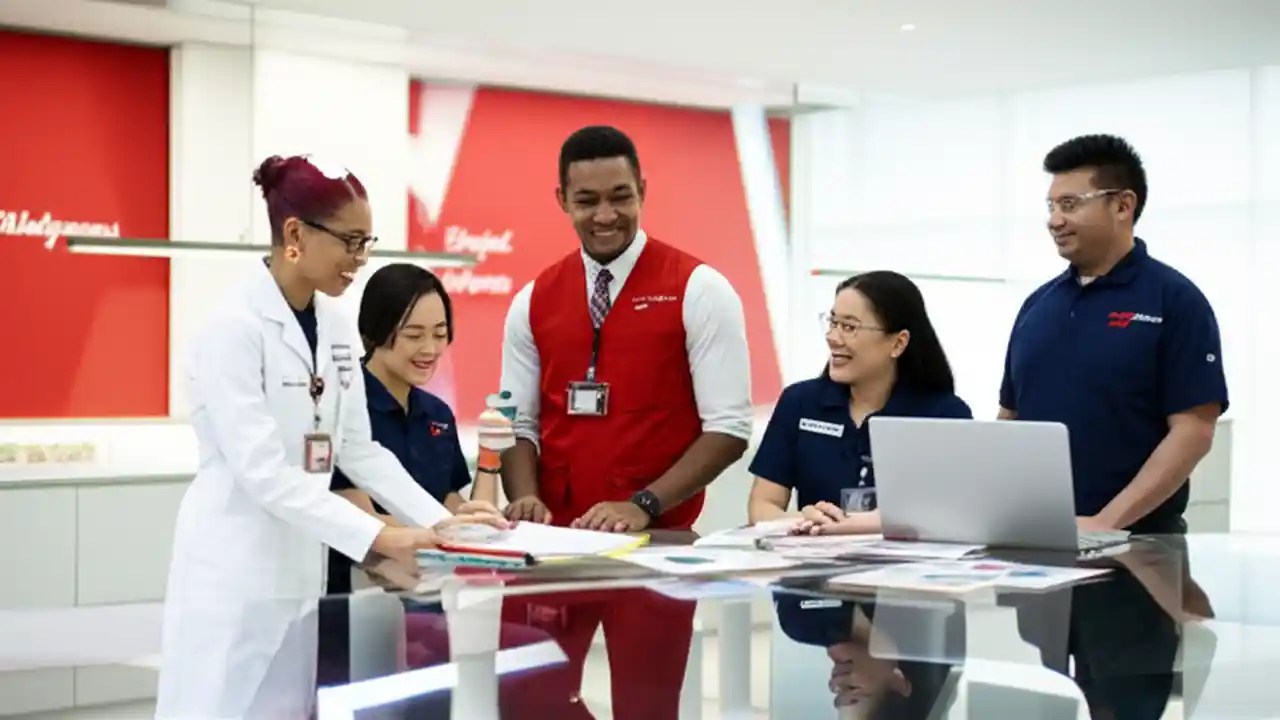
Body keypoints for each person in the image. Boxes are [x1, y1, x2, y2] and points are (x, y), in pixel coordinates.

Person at [156, 154, 504, 720]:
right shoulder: (232, 328)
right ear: (294, 234)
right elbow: (265, 474)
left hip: (299, 564)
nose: (360, 260)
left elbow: (359, 450)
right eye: (350, 242)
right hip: (232, 568)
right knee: (219, 705)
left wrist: (437, 522)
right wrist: (380, 538)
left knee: (286, 709)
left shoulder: (337, 327)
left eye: (367, 242)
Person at [497, 125, 753, 719]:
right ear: (561, 199)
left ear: (642, 189)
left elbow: (729, 428)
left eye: (620, 196)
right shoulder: (533, 299)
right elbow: (518, 421)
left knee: (646, 708)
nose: (605, 215)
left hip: (654, 545)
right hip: (555, 544)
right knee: (525, 697)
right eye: (587, 201)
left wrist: (642, 503)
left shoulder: (700, 289)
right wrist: (526, 495)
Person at [999, 134, 1229, 535]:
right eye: (1051, 206)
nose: (1055, 220)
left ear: (1123, 205)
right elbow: (1011, 418)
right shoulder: (1038, 305)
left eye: (1070, 204)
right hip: (1034, 537)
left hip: (1138, 544)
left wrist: (1106, 524)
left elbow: (1194, 431)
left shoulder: (1175, 301)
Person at [318, 263, 514, 687]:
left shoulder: (436, 413)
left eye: (440, 332)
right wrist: (449, 534)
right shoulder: (347, 405)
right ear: (374, 331)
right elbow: (362, 516)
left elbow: (451, 508)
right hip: (360, 599)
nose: (430, 347)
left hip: (427, 597)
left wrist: (489, 461)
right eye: (414, 334)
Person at [748, 271, 971, 535]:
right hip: (813, 566)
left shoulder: (943, 415)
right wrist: (804, 521)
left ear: (898, 343)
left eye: (849, 327)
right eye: (832, 323)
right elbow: (762, 505)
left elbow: (954, 514)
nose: (832, 337)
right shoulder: (799, 403)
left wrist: (855, 526)